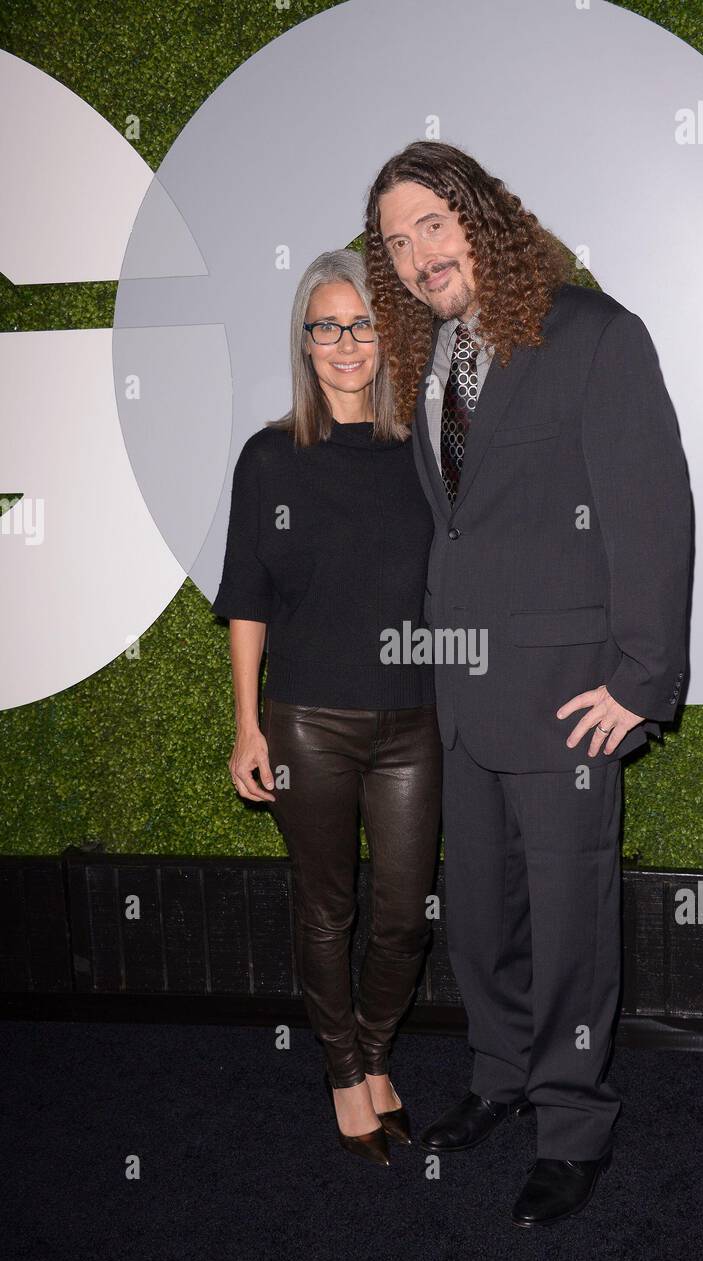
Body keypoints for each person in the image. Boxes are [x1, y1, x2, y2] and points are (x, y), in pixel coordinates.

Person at [363, 142, 693, 1222]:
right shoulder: (432, 357)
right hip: (464, 699)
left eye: (433, 226)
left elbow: (652, 517)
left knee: (570, 929)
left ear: (484, 218)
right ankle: (500, 1081)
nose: (417, 257)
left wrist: (643, 682)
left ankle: (572, 1122)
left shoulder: (596, 334)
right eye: (397, 243)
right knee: (479, 918)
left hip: (569, 703)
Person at [211, 249, 442, 1166]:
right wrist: (246, 723)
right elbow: (246, 597)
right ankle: (345, 1070)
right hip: (307, 721)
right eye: (326, 326)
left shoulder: (422, 452)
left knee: (403, 912)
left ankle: (378, 1051)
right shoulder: (271, 457)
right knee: (326, 908)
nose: (346, 343)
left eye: (362, 325)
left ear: (386, 339)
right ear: (305, 344)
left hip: (416, 721)